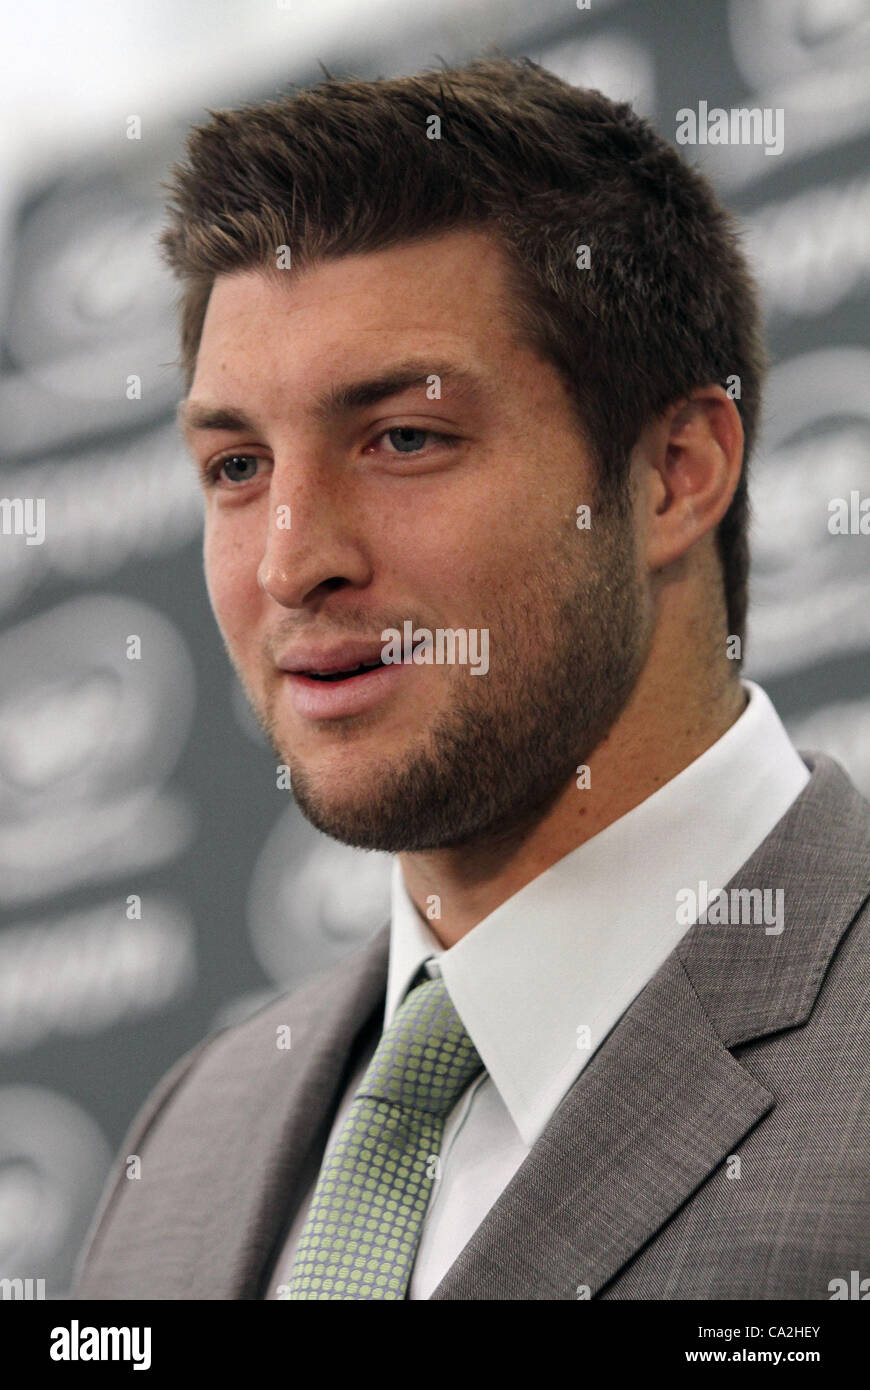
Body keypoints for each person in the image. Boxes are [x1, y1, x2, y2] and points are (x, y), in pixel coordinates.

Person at [73, 55, 870, 1301]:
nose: (292, 562)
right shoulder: (186, 1146)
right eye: (236, 467)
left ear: (674, 473)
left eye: (404, 439)